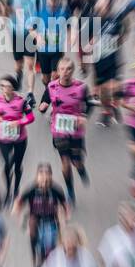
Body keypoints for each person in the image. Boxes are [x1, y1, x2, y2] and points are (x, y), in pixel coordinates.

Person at [39, 55, 93, 206]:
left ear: (73, 70)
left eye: (69, 69)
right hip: (59, 130)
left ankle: (81, 169)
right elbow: (44, 101)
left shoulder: (81, 87)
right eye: (62, 69)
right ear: (57, 71)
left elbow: (89, 104)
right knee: (65, 163)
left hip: (76, 131)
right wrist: (42, 107)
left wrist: (84, 115)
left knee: (77, 162)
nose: (65, 72)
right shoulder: (51, 86)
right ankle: (70, 190)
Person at [0, 75, 35, 206]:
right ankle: (8, 190)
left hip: (19, 138)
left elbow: (31, 117)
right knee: (7, 164)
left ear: (13, 88)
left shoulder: (21, 101)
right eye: (2, 86)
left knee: (17, 165)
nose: (4, 89)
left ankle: (16, 190)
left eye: (8, 86)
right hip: (2, 138)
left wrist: (19, 122)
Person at [15, 163, 68, 267]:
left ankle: (49, 260)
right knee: (32, 230)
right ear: (37, 176)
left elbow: (65, 205)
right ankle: (34, 257)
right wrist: (19, 216)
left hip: (51, 219)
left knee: (51, 246)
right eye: (41, 173)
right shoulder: (31, 189)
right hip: (35, 218)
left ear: (51, 176)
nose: (44, 177)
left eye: (47, 173)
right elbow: (18, 203)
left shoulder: (56, 189)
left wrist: (65, 218)